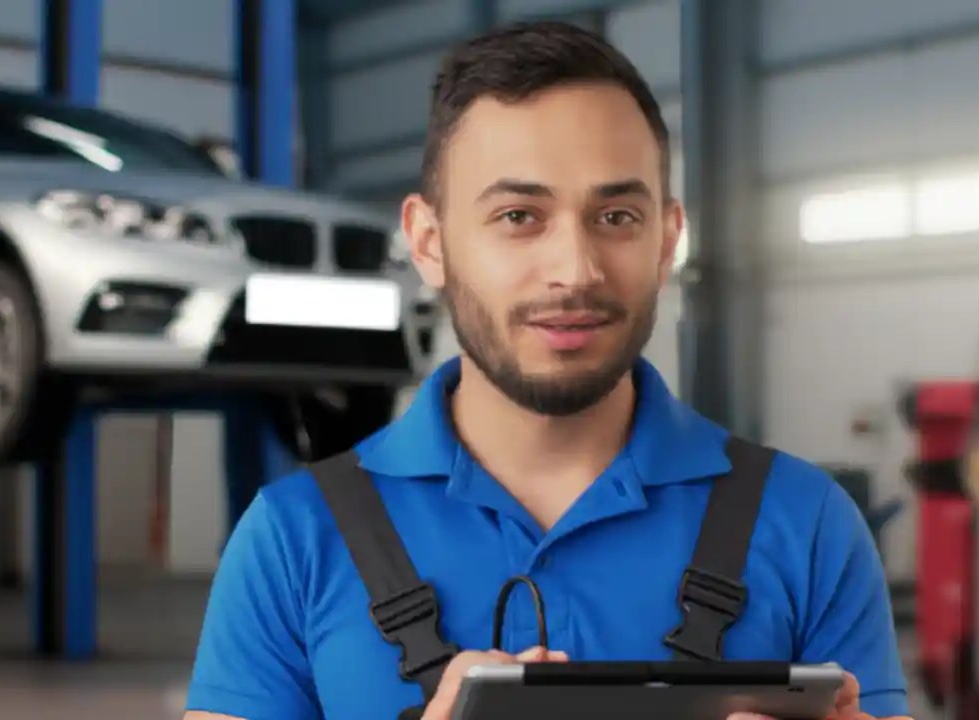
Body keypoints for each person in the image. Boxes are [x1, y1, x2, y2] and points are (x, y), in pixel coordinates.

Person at [184, 20, 910, 720]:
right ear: (429, 242)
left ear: (667, 239)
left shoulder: (806, 524)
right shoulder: (293, 540)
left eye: (618, 216)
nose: (576, 269)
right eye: (519, 216)